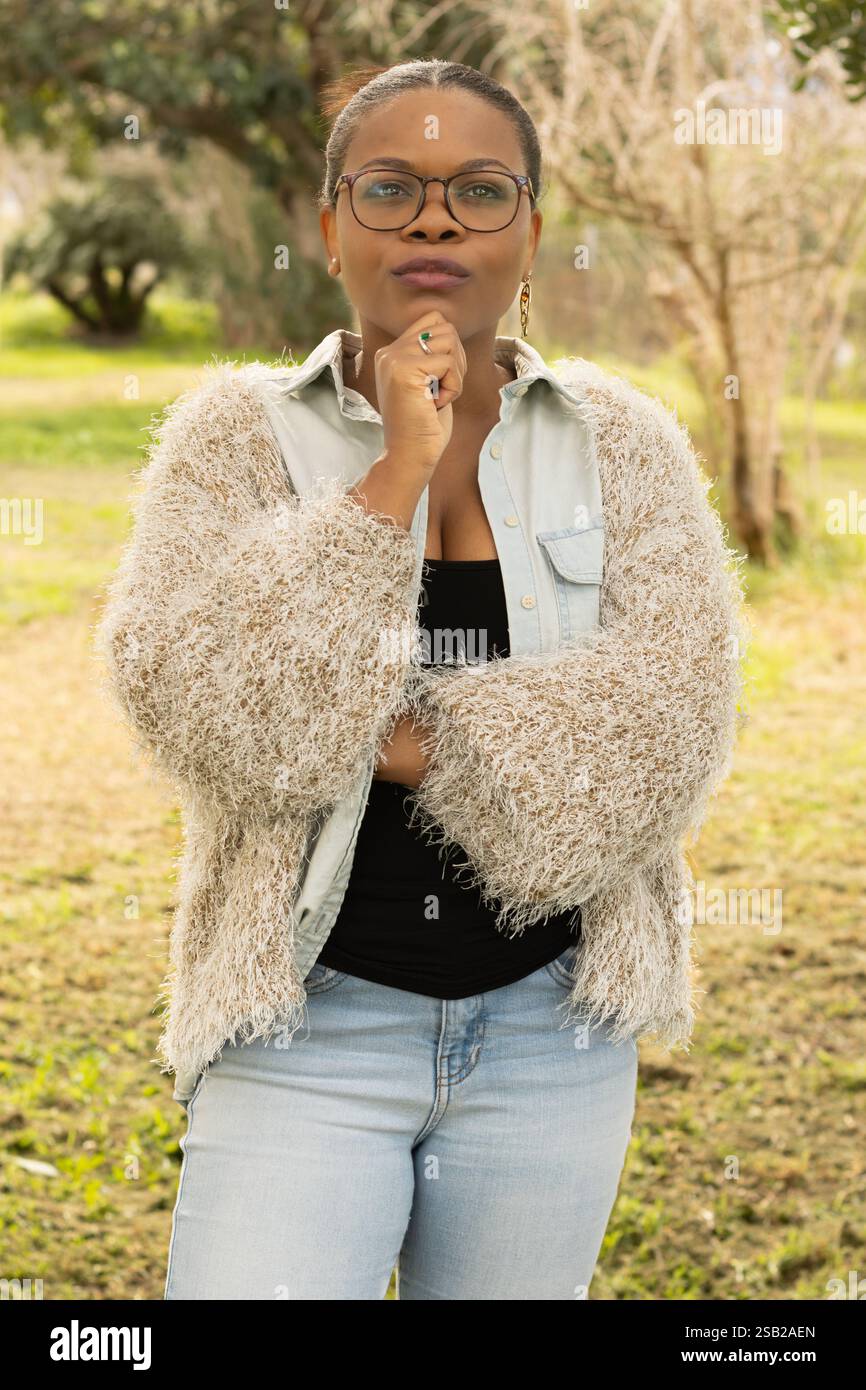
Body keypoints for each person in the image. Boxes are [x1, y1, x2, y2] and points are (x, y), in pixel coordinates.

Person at [94, 59, 745, 1300]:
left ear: (533, 231)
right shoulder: (230, 437)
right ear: (332, 226)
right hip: (304, 1021)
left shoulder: (625, 443)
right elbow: (197, 706)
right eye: (390, 187)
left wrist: (398, 736)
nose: (434, 218)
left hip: (555, 1028)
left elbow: (666, 729)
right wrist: (394, 469)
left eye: (478, 190)